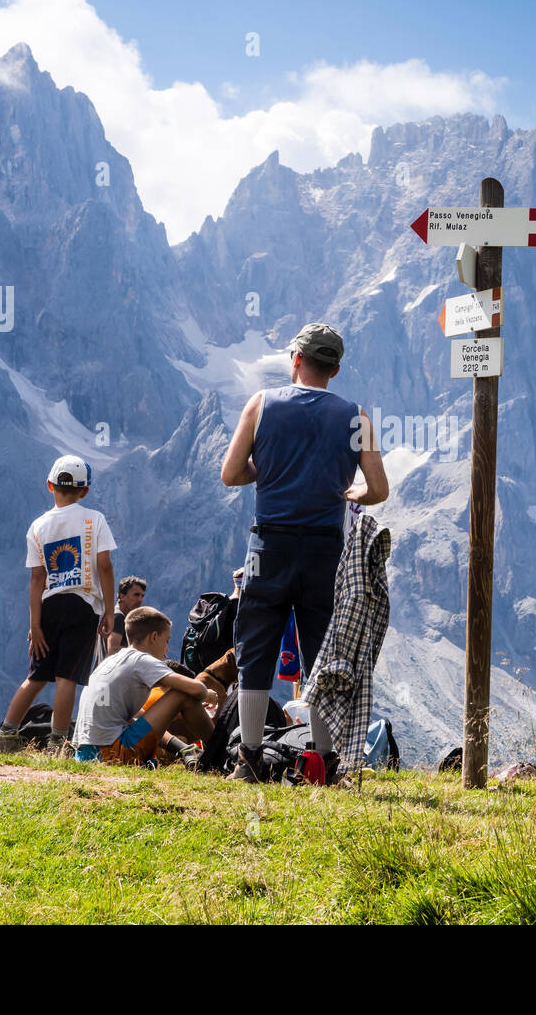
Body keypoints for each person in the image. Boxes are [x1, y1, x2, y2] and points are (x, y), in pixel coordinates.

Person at [220, 322, 388, 782]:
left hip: (268, 543)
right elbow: (378, 489)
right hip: (325, 550)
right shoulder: (357, 416)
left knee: (256, 645)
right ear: (334, 369)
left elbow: (231, 473)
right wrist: (345, 491)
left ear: (296, 359)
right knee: (323, 652)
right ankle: (322, 764)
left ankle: (250, 759)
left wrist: (269, 468)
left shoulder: (261, 405)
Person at [0, 456, 116, 755]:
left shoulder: (38, 525)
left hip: (48, 608)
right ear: (84, 491)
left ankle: (5, 733)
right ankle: (58, 743)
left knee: (36, 675)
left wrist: (34, 625)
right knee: (67, 677)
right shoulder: (94, 519)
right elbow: (105, 567)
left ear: (50, 485)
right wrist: (109, 611)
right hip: (83, 606)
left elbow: (36, 578)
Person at [73, 606, 217, 766]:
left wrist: (182, 748)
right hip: (112, 754)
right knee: (182, 693)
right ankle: (219, 754)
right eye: (167, 640)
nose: (167, 649)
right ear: (154, 637)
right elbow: (196, 689)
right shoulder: (141, 660)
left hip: (85, 755)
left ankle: (189, 751)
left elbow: (141, 717)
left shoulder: (109, 662)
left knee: (139, 719)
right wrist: (209, 694)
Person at [105, 575, 146, 655]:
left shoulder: (112, 615)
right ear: (122, 596)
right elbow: (113, 649)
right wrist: (143, 652)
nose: (140, 600)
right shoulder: (118, 617)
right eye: (136, 595)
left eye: (142, 596)